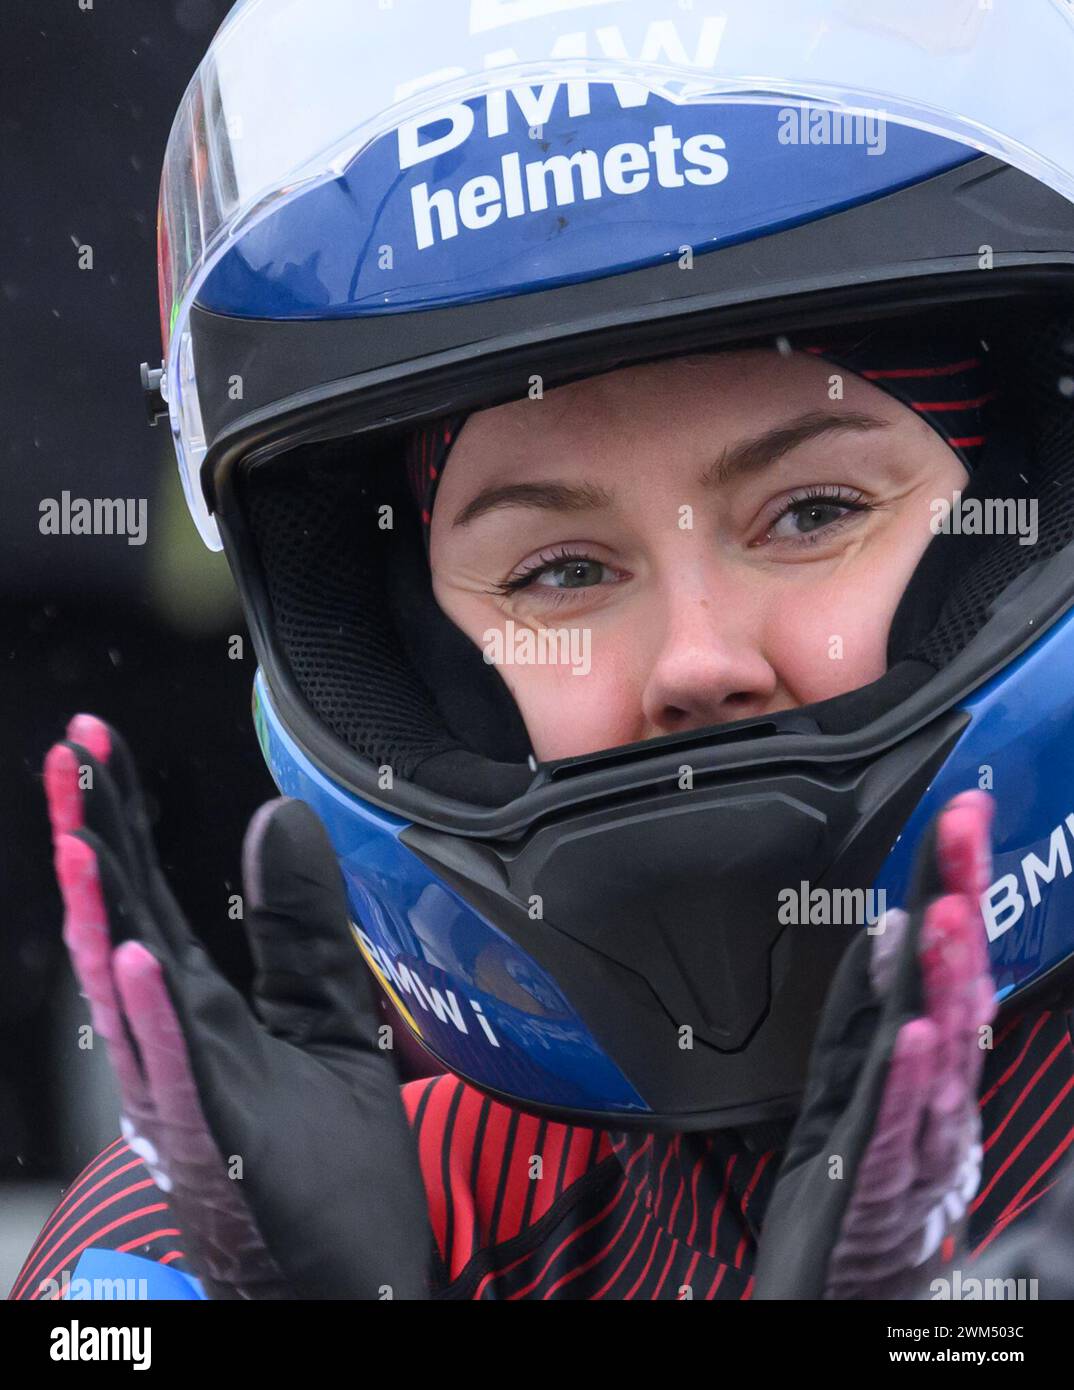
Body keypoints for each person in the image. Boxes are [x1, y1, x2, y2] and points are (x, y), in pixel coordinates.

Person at [13, 0, 1074, 1300]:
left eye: (811, 513)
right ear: (412, 659)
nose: (695, 658)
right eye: (561, 572)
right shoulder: (196, 1237)